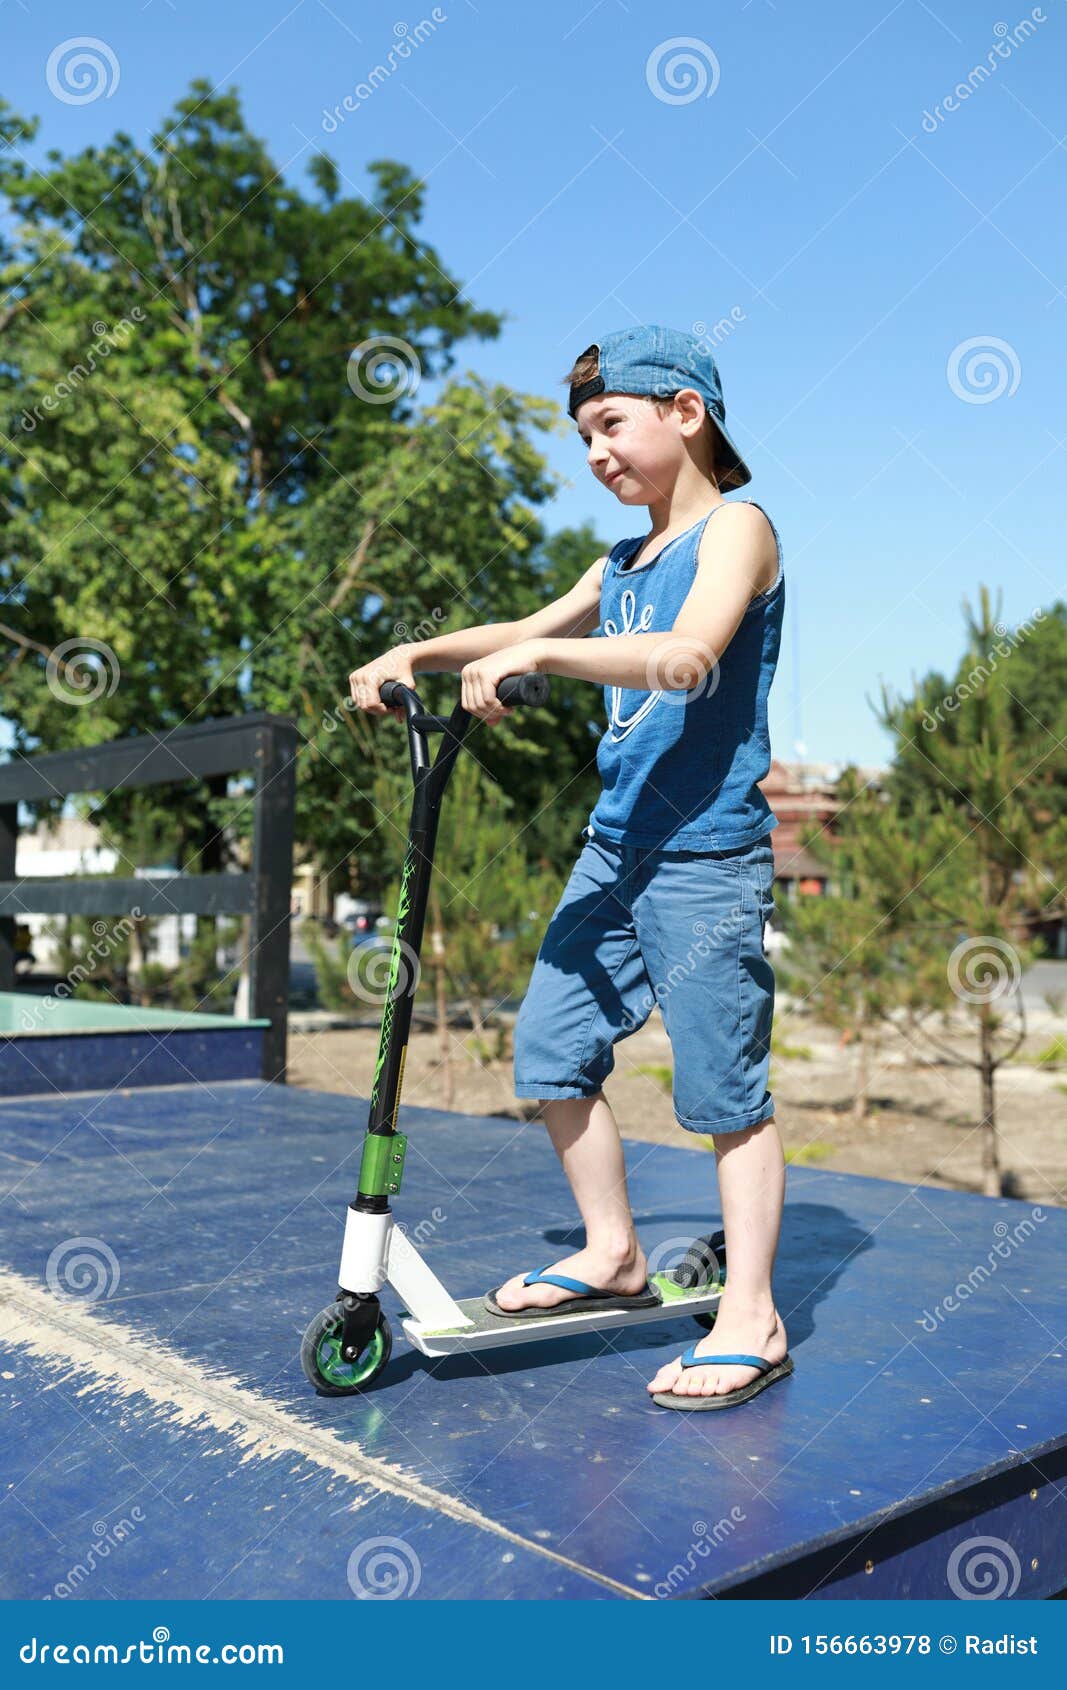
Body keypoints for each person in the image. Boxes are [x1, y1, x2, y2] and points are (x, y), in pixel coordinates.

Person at [348, 325, 791, 1411]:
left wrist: (540, 655)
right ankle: (611, 1251)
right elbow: (520, 625)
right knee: (550, 1047)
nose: (595, 453)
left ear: (685, 412)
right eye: (583, 436)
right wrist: (418, 651)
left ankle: (752, 1314)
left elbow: (685, 656)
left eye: (610, 426)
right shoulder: (619, 563)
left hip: (704, 856)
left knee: (722, 1092)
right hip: (613, 849)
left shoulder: (737, 531)